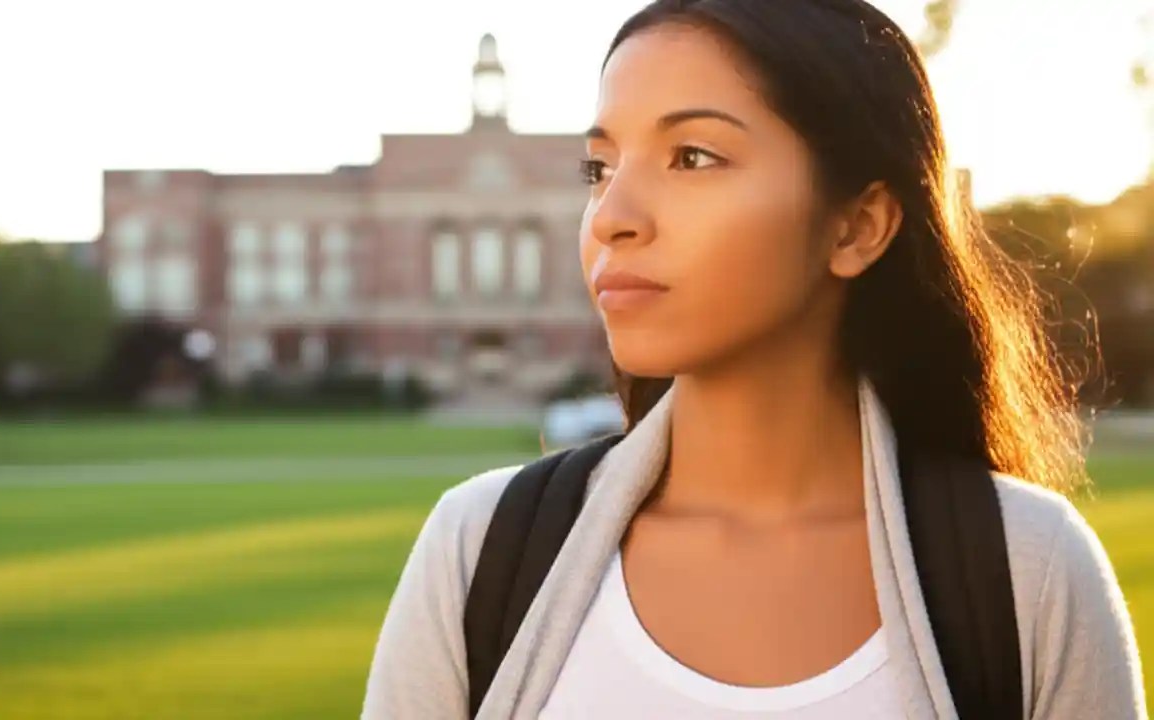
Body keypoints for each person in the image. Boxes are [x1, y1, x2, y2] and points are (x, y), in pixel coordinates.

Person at [363, 1, 1147, 718]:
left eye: (693, 157)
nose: (612, 218)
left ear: (856, 227)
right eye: (598, 170)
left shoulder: (1025, 570)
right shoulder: (479, 553)